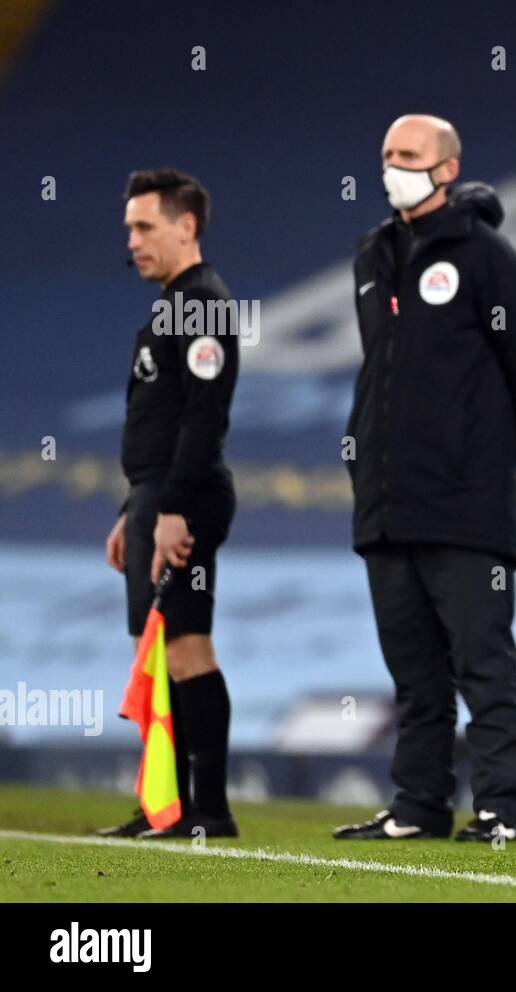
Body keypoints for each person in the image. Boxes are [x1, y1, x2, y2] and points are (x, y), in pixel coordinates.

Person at [334, 115, 516, 844]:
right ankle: (418, 806)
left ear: (448, 169)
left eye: (409, 155)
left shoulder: (488, 257)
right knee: (414, 676)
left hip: (465, 505)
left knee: (482, 664)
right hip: (388, 503)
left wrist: (484, 461)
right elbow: (384, 373)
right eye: (387, 153)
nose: (393, 165)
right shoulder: (373, 253)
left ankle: (499, 807)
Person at [99, 168, 240, 839]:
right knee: (157, 650)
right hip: (156, 495)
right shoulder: (173, 304)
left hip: (185, 495)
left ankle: (207, 810)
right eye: (129, 228)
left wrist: (173, 511)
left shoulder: (203, 304)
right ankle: (169, 804)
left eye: (144, 226)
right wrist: (135, 509)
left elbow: (203, 418)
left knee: (186, 647)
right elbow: (162, 421)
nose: (132, 240)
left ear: (186, 227)